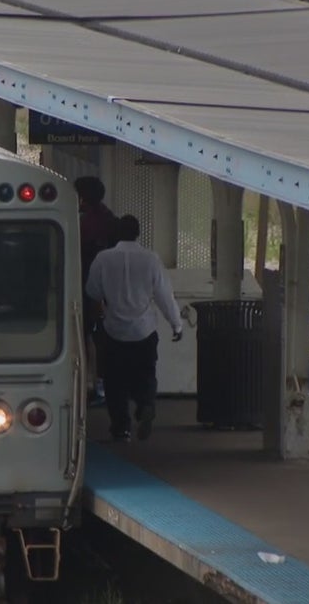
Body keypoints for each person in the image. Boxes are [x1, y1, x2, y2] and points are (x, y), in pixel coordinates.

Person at [85, 215, 183, 442]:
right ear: (138, 233)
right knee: (146, 373)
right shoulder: (151, 259)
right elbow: (164, 296)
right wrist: (176, 324)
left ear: (116, 234)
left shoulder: (103, 259)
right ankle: (145, 405)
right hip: (144, 330)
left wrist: (94, 323)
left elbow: (92, 293)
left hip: (113, 331)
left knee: (114, 381)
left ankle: (121, 428)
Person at [75, 176, 119, 408]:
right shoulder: (110, 220)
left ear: (83, 198)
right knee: (102, 339)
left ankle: (90, 383)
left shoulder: (84, 224)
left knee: (86, 337)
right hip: (111, 291)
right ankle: (103, 384)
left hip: (88, 288)